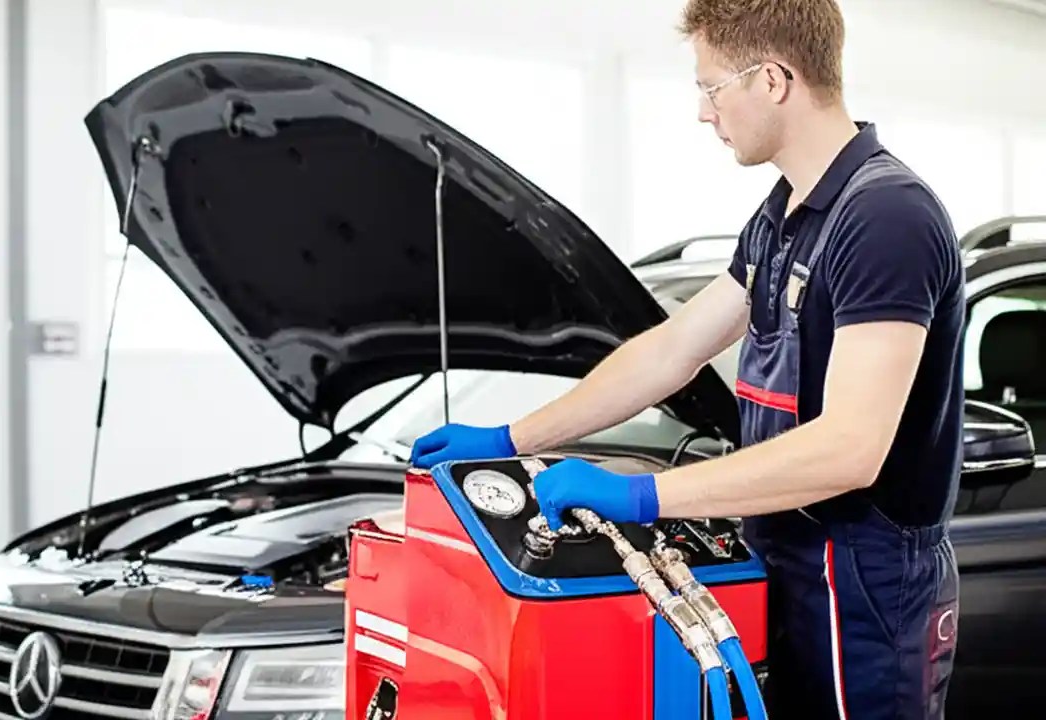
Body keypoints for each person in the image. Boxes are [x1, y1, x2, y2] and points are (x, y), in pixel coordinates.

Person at [408, 1, 964, 718]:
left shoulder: (887, 218)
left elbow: (849, 450)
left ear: (772, 79)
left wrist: (643, 496)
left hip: (866, 588)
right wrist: (513, 441)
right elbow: (671, 351)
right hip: (781, 556)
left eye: (710, 87)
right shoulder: (784, 216)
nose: (705, 112)